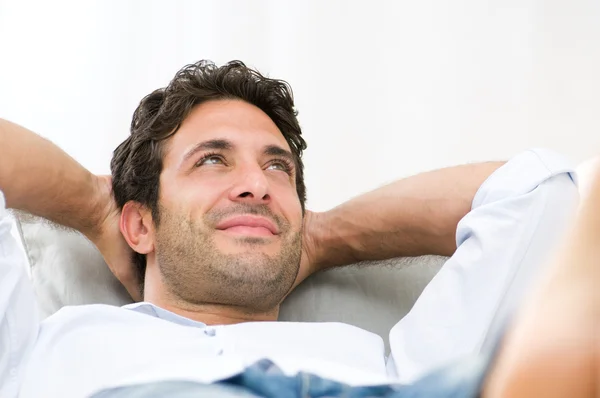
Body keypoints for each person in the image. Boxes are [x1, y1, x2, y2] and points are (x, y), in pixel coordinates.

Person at [0, 60, 595, 398]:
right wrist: (95, 206)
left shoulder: (386, 359)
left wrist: (322, 236)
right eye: (213, 159)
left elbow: (536, 191)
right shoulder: (38, 347)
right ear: (141, 224)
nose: (257, 185)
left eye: (277, 167)